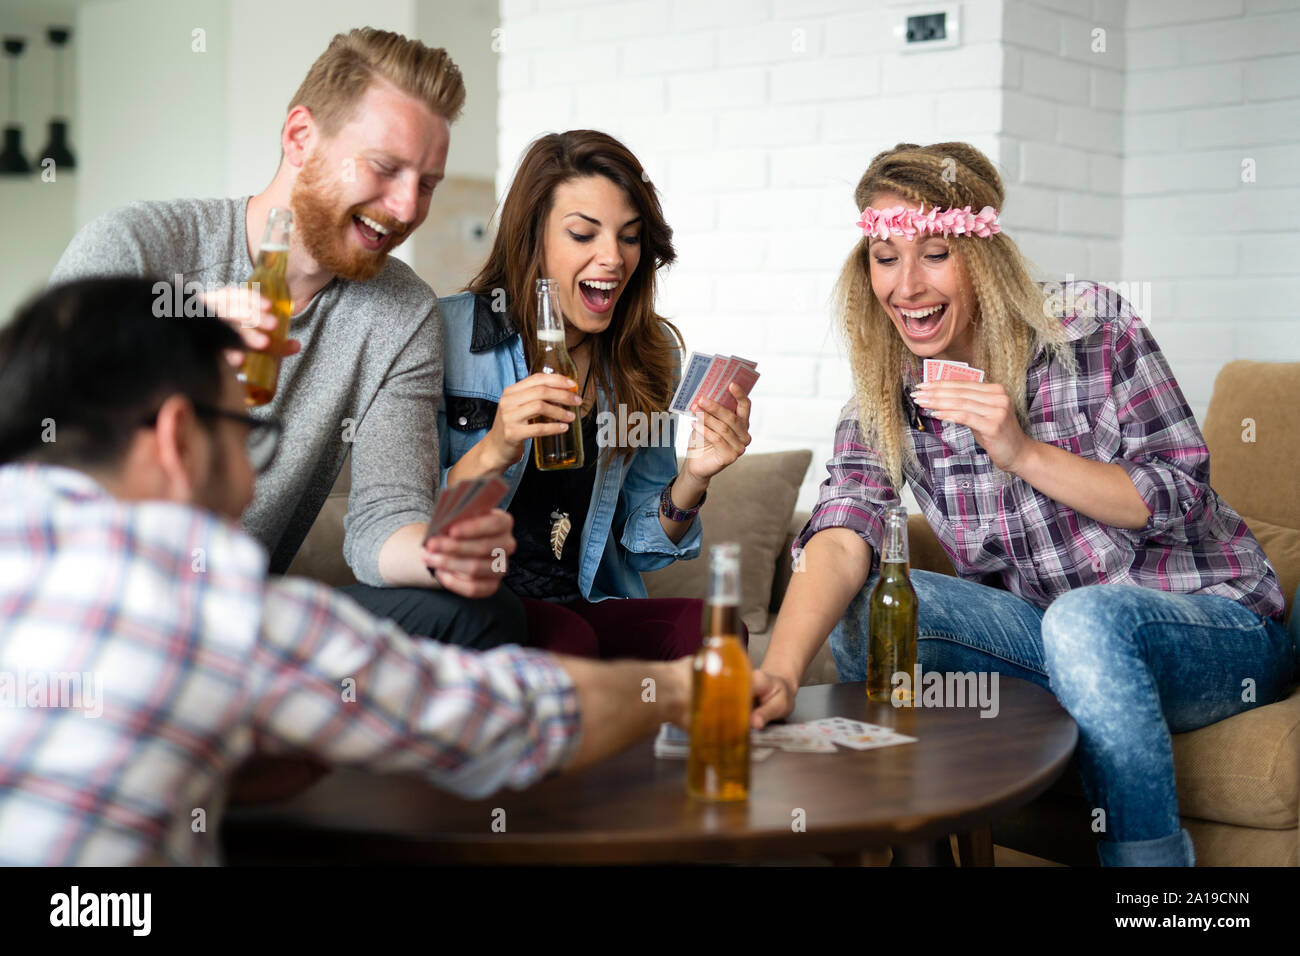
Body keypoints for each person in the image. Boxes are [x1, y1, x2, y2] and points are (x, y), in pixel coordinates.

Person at [0, 277, 692, 866]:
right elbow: (511, 719)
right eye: (249, 436)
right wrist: (684, 688)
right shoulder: (217, 611)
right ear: (178, 439)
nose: (252, 481)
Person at [750, 142, 1295, 867]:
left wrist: (1022, 452)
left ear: (982, 256)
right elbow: (845, 525)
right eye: (885, 257)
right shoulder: (887, 393)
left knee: (1085, 620)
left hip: (1211, 624)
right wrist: (782, 671)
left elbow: (1181, 489)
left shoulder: (1091, 327)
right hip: (1047, 639)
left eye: (935, 254)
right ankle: (919, 853)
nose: (907, 285)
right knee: (873, 611)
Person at [47, 28, 523, 651]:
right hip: (88, 599)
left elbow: (383, 521)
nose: (407, 207)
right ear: (300, 137)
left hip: (242, 618)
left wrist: (440, 554)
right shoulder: (135, 247)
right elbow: (36, 442)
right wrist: (174, 344)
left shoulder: (402, 312)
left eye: (427, 183)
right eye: (385, 168)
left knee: (481, 615)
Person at [436, 130, 753, 660]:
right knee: (569, 640)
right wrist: (496, 446)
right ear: (532, 238)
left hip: (583, 604)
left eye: (630, 237)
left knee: (714, 633)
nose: (613, 258)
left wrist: (694, 479)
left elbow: (641, 548)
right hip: (477, 608)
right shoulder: (444, 334)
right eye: (583, 234)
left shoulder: (649, 353)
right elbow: (409, 521)